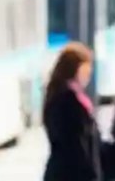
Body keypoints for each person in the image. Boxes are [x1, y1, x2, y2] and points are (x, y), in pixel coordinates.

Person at [43, 42, 103, 181]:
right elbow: (76, 148)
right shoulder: (67, 102)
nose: (89, 73)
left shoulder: (65, 97)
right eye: (86, 68)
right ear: (74, 68)